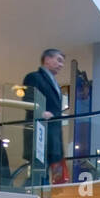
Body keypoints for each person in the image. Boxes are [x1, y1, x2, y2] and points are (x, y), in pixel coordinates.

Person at [22, 48, 67, 184]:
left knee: (44, 173)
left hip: (52, 135)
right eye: (58, 60)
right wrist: (41, 112)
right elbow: (29, 99)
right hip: (39, 132)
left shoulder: (56, 85)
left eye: (62, 62)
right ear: (47, 59)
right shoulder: (34, 77)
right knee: (38, 172)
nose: (61, 65)